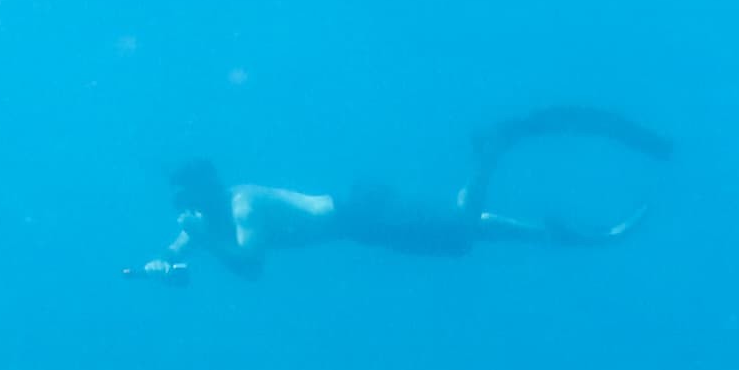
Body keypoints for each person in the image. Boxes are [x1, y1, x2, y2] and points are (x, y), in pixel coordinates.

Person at [132, 106, 670, 281]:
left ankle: (491, 150)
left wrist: (203, 240)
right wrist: (164, 264)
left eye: (189, 197)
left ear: (208, 188)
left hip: (361, 217)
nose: (184, 208)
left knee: (460, 232)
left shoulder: (238, 207)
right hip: (363, 216)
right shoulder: (205, 214)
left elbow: (249, 264)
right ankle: (564, 239)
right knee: (469, 226)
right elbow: (185, 244)